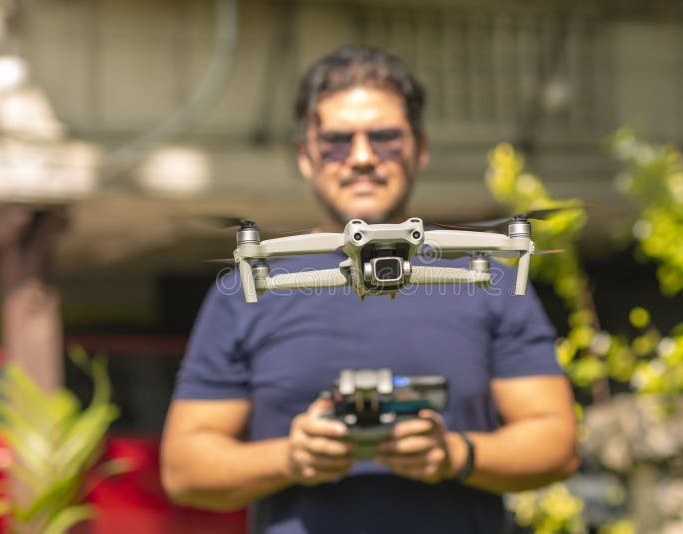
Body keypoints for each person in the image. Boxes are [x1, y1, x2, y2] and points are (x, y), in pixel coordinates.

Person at [161, 46, 579, 534]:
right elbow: (185, 468)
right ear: (305, 155)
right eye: (337, 140)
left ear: (420, 149)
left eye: (384, 138)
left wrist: (455, 454)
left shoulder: (488, 279)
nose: (361, 158)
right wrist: (291, 457)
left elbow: (557, 443)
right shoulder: (249, 289)